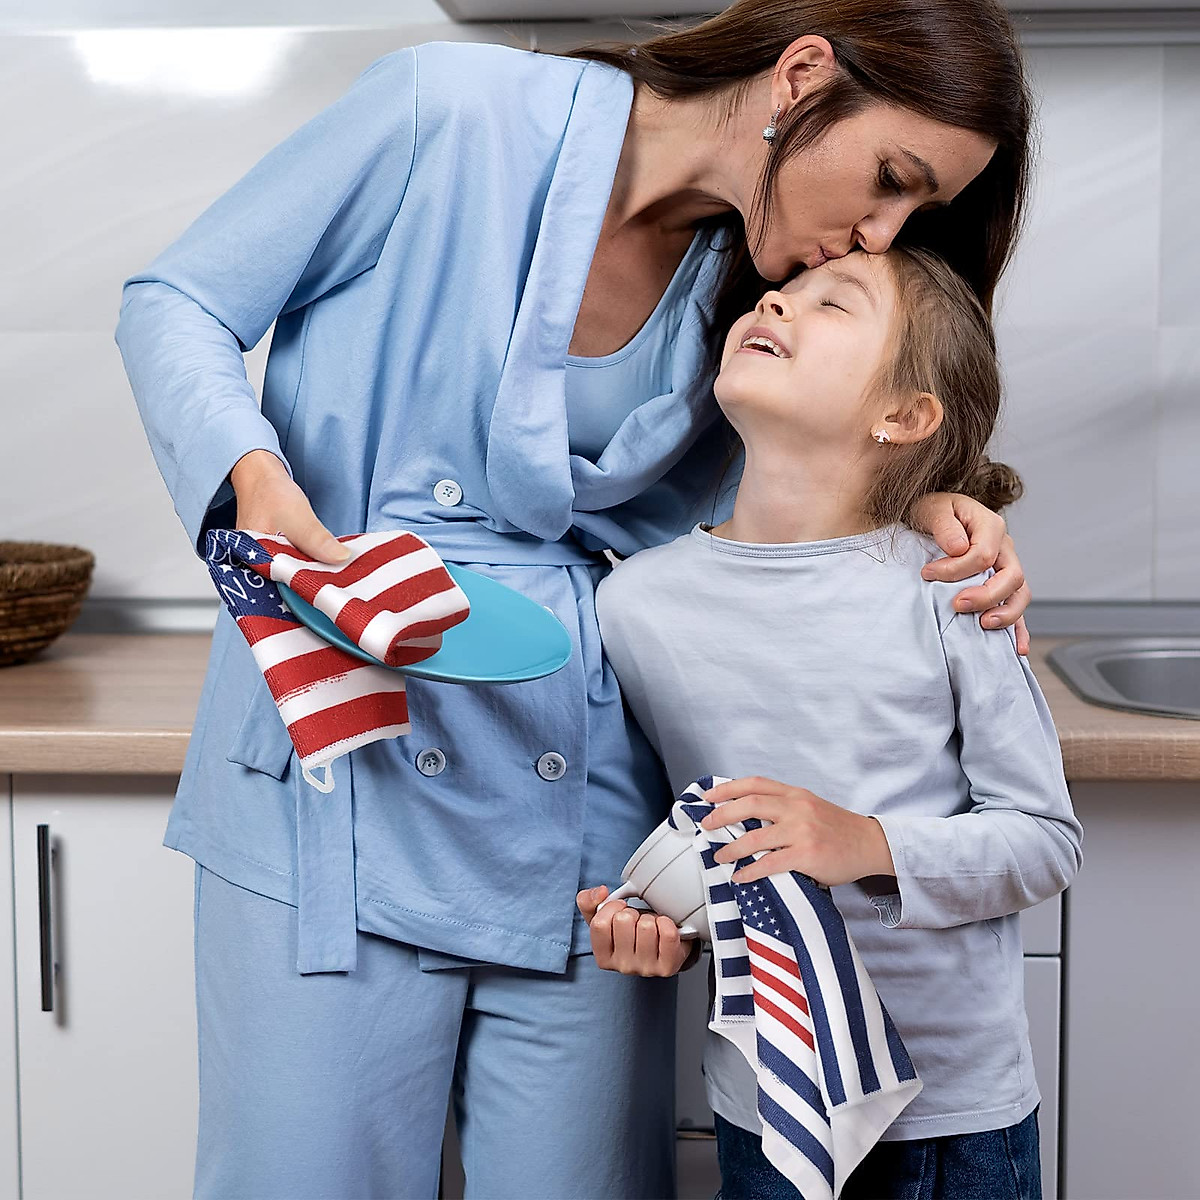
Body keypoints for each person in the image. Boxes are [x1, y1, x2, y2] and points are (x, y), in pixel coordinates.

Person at [115, 1, 1038, 1195]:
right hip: (337, 762)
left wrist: (925, 501)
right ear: (802, 77)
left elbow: (804, 473)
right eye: (892, 180)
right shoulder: (439, 114)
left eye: (919, 214)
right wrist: (256, 479)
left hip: (585, 819)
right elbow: (174, 301)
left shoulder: (749, 294)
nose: (881, 231)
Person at [582, 245, 1083, 1200]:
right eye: (783, 290)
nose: (777, 299)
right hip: (766, 1100)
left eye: (834, 303)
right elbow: (668, 834)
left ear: (903, 415)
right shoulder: (632, 605)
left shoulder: (948, 585)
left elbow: (1047, 843)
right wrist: (646, 920)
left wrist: (859, 842)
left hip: (952, 1115)